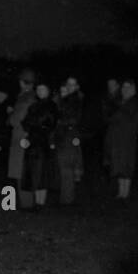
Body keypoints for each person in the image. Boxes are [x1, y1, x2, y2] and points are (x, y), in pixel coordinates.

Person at [19, 78, 57, 208]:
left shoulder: (51, 105)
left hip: (42, 143)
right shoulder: (34, 105)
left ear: (48, 91)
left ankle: (41, 202)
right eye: (39, 89)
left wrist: (33, 124)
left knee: (42, 173)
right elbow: (25, 122)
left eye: (43, 89)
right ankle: (33, 201)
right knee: (31, 171)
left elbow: (46, 123)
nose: (40, 92)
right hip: (32, 142)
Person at [104, 78, 138, 199]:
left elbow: (123, 118)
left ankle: (126, 192)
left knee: (126, 166)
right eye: (123, 87)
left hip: (127, 140)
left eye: (128, 87)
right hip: (117, 140)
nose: (125, 89)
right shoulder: (121, 101)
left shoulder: (133, 102)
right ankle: (121, 192)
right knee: (119, 166)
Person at [6, 68, 36, 205]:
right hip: (27, 136)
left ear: (22, 83)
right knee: (25, 169)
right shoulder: (33, 96)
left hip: (21, 136)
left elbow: (15, 119)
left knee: (21, 170)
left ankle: (26, 203)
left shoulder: (25, 98)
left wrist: (10, 116)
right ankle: (28, 201)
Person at [54, 76, 84, 207]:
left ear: (77, 86)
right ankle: (65, 197)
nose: (70, 87)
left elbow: (73, 119)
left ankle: (67, 200)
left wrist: (59, 122)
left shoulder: (75, 100)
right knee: (64, 167)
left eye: (73, 84)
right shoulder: (66, 99)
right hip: (64, 136)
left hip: (69, 136)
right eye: (68, 84)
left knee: (66, 167)